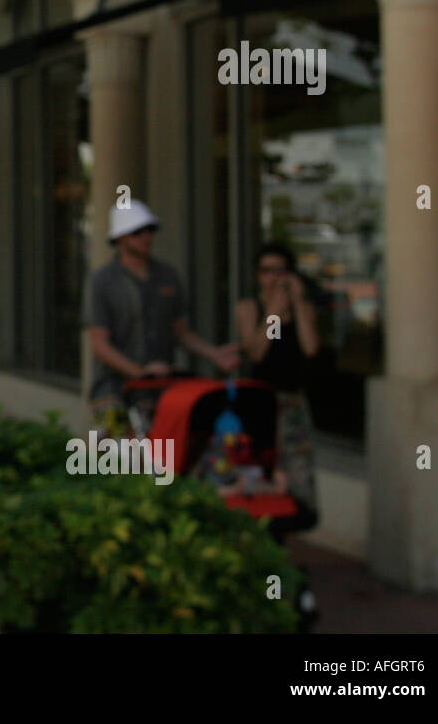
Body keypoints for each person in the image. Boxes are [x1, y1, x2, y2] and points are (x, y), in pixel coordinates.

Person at [84, 199, 240, 439]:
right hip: (112, 390)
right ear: (120, 239)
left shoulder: (168, 275)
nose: (146, 237)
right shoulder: (103, 281)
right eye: (137, 232)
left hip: (158, 390)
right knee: (116, 463)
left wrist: (214, 353)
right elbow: (100, 345)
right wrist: (142, 373)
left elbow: (180, 332)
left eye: (150, 230)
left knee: (161, 464)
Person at [234, 242, 319, 532]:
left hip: (292, 402)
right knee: (260, 474)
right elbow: (257, 351)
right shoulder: (249, 307)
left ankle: (288, 538)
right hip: (260, 403)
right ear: (258, 275)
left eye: (279, 271)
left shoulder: (302, 308)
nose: (272, 278)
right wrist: (272, 313)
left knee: (296, 477)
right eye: (266, 271)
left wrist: (295, 303)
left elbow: (310, 348)